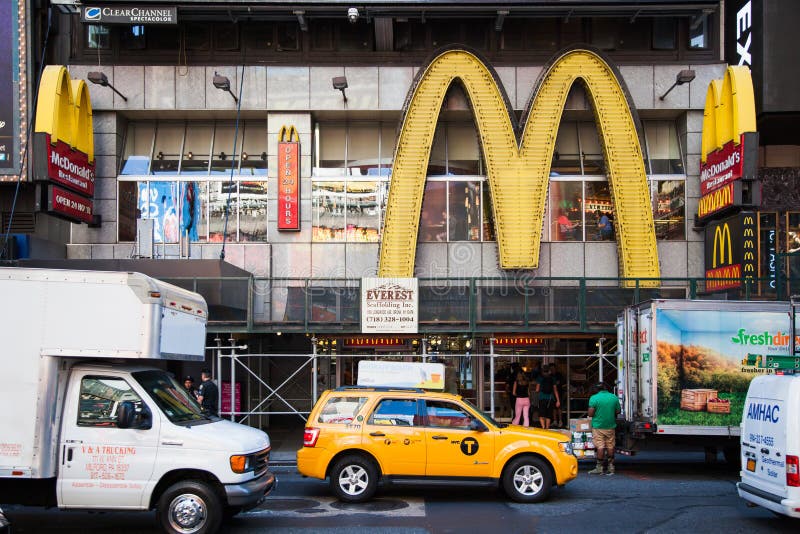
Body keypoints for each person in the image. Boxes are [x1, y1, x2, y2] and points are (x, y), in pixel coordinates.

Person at [587, 381, 621, 475]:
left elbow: (590, 414)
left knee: (600, 446)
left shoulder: (594, 398)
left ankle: (599, 467)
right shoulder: (614, 397)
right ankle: (611, 467)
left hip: (598, 426)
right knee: (610, 445)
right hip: (610, 426)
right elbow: (618, 411)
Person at [548, 363, 565, 428]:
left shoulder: (559, 375)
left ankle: (560, 421)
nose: (552, 370)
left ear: (555, 368)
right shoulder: (550, 376)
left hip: (559, 393)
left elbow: (560, 383)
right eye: (551, 369)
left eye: (553, 368)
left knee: (559, 408)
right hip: (551, 394)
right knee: (553, 408)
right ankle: (555, 421)